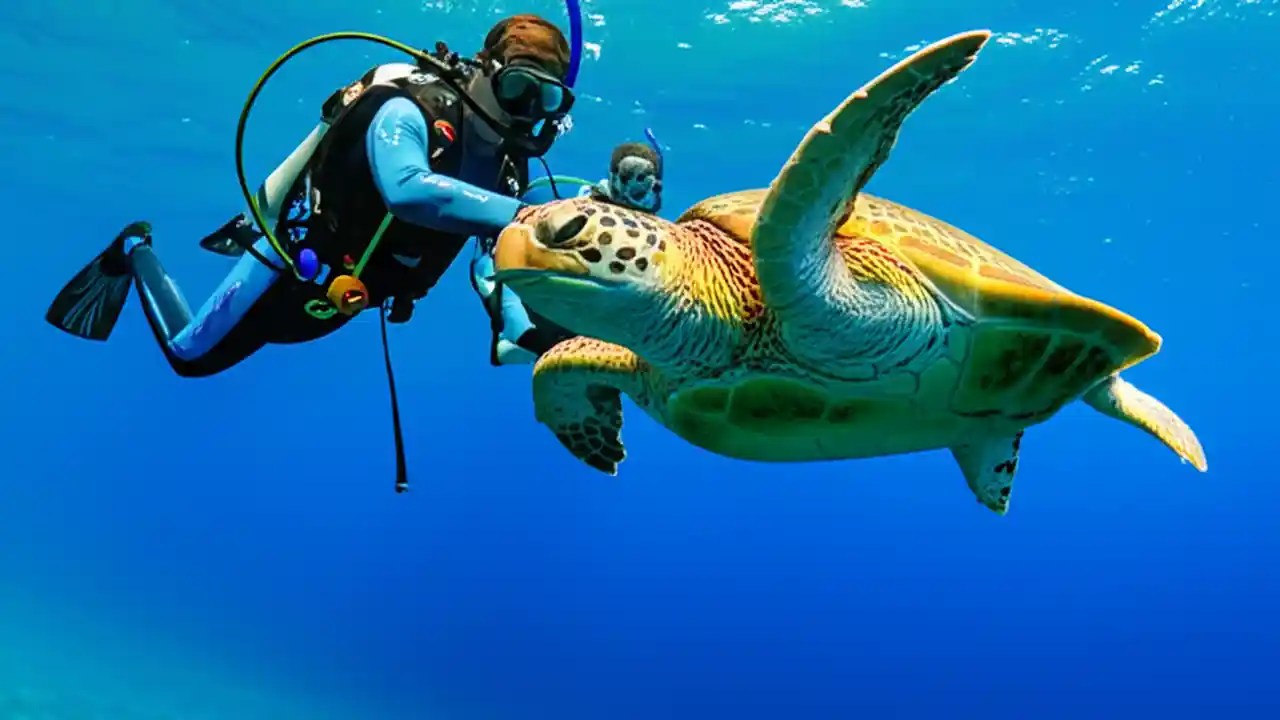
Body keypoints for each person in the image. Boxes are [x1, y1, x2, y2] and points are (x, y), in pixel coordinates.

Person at [46, 13, 579, 380]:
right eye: (517, 88)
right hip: (286, 268)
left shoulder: (510, 169)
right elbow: (406, 189)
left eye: (546, 97)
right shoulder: (408, 108)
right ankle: (135, 247)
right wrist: (530, 215)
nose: (525, 109)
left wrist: (543, 330)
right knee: (189, 357)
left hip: (344, 301)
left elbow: (501, 264)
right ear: (484, 69)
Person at [470, 136, 665, 365]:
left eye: (648, 188)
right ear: (614, 179)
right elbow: (502, 263)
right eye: (631, 183)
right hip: (528, 313)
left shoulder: (647, 234)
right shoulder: (567, 213)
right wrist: (525, 334)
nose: (638, 198)